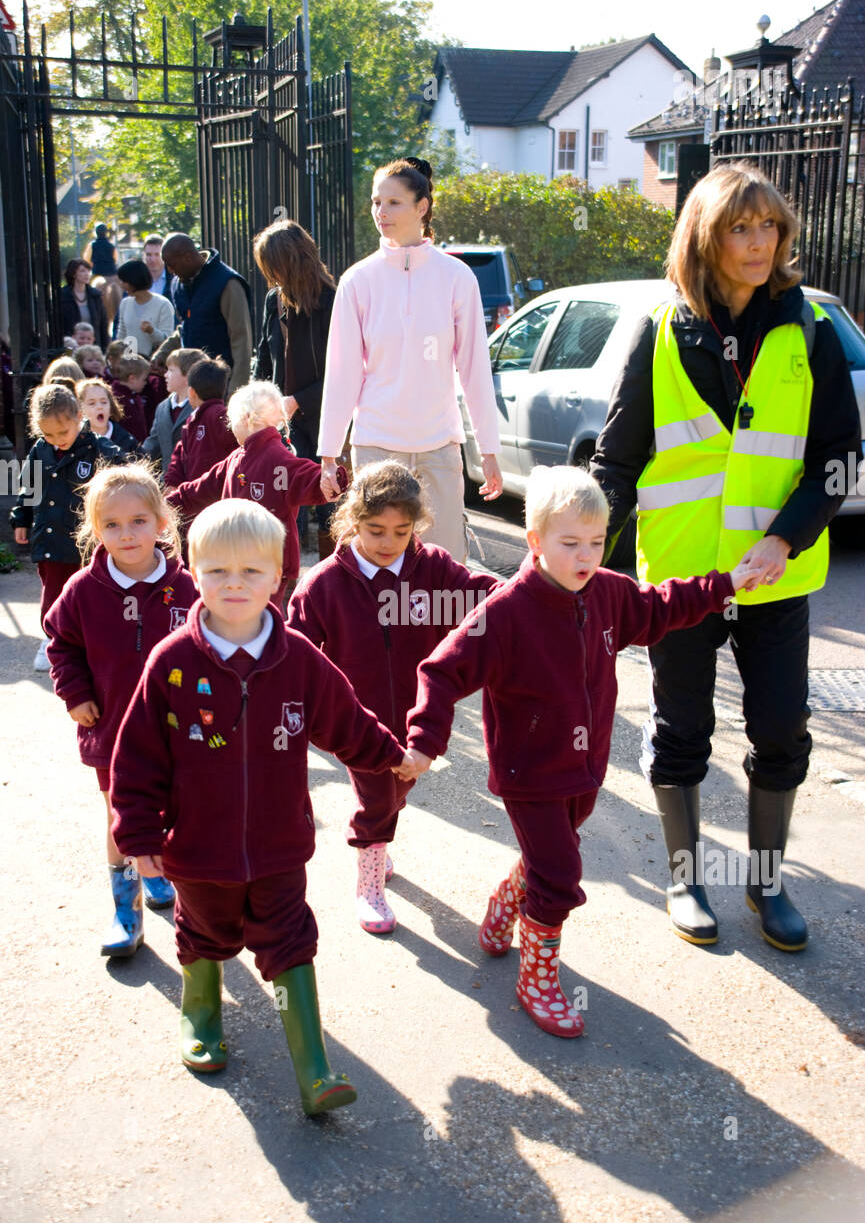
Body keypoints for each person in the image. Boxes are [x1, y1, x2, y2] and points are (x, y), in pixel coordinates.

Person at [589, 162, 862, 953]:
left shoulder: (806, 327)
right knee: (681, 730)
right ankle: (684, 876)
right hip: (682, 578)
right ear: (705, 238)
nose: (756, 243)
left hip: (776, 574)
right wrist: (586, 573)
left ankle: (766, 883)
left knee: (781, 729)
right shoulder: (659, 328)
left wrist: (785, 537)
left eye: (767, 227)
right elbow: (617, 460)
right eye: (738, 228)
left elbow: (837, 458)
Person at [402, 467, 761, 1036]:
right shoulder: (506, 613)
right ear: (536, 542)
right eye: (569, 543)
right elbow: (441, 671)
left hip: (585, 766)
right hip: (530, 771)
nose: (585, 555)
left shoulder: (609, 592)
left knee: (551, 856)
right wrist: (424, 742)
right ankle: (536, 979)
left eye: (596, 542)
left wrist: (726, 585)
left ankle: (505, 903)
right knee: (561, 872)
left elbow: (661, 606)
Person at [109, 499, 417, 1114]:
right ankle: (202, 1018)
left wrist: (390, 753)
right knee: (206, 934)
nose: (234, 584)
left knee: (289, 941)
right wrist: (139, 838)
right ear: (193, 571)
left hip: (279, 842)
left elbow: (344, 718)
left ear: (278, 577)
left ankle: (311, 1064)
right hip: (197, 848)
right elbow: (138, 759)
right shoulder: (170, 664)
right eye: (218, 570)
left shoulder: (297, 656)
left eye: (252, 571)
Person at [287, 460, 500, 933]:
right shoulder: (324, 584)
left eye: (401, 532)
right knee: (378, 800)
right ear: (352, 521)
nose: (387, 543)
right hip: (356, 723)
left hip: (420, 719)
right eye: (375, 530)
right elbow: (293, 649)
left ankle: (376, 846)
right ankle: (369, 884)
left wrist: (527, 593)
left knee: (398, 791)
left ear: (416, 526)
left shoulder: (434, 569)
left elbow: (483, 597)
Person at [43, 464, 198, 955]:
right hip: (110, 732)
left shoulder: (188, 589)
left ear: (161, 523)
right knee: (121, 820)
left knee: (179, 816)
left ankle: (178, 896)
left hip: (177, 736)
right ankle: (125, 914)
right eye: (111, 524)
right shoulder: (82, 591)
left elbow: (209, 645)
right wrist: (75, 693)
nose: (126, 534)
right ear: (95, 529)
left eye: (138, 521)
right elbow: (61, 643)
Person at [316, 157, 503, 561]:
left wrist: (489, 449)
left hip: (440, 446)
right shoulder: (357, 280)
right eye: (375, 202)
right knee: (375, 563)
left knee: (446, 567)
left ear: (422, 208)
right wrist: (328, 453)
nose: (381, 212)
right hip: (375, 445)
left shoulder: (457, 277)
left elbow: (474, 369)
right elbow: (342, 372)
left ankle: (442, 630)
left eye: (393, 202)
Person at [166, 382, 341, 610]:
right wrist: (166, 506)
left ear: (246, 418)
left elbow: (305, 475)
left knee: (266, 621)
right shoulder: (236, 457)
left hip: (271, 564)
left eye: (232, 420)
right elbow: (201, 489)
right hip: (237, 557)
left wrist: (330, 480)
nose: (230, 427)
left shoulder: (277, 458)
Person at [10, 383, 122, 671]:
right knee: (53, 593)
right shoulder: (40, 450)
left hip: (84, 542)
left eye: (63, 432)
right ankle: (51, 640)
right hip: (50, 540)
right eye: (48, 434)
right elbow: (29, 488)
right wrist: (21, 518)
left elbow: (123, 473)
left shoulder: (98, 449)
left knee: (90, 594)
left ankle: (89, 643)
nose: (57, 440)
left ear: (78, 418)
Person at [252, 219, 337, 560]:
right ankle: (290, 584)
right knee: (288, 507)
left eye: (273, 265)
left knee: (332, 506)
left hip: (326, 420)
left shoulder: (333, 301)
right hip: (282, 421)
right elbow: (263, 355)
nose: (270, 274)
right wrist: (255, 400)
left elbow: (344, 372)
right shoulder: (274, 300)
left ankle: (334, 581)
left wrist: (299, 401)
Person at [161, 234, 252, 396]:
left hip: (221, 385)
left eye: (172, 265)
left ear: (188, 257)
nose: (170, 271)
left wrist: (236, 391)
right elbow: (187, 326)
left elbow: (241, 339)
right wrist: (161, 354)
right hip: (192, 385)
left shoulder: (227, 284)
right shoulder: (178, 284)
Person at [163, 357, 235, 488]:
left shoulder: (219, 416)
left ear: (191, 392)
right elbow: (180, 456)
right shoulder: (193, 420)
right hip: (193, 496)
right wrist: (172, 483)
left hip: (213, 498)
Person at [142, 348, 205, 476]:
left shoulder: (202, 407)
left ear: (188, 375)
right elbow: (153, 445)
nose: (165, 375)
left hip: (195, 482)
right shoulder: (162, 408)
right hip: (168, 483)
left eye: (171, 370)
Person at [115, 260, 176, 359]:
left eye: (124, 281)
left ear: (133, 281)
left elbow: (168, 341)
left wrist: (152, 331)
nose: (122, 285)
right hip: (129, 364)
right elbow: (122, 333)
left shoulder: (163, 304)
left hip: (153, 364)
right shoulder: (125, 303)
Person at [76, 378, 141, 458]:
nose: (99, 407)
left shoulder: (127, 441)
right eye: (92, 403)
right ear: (80, 408)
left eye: (104, 402)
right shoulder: (75, 440)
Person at [60, 259, 109, 352]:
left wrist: (105, 347)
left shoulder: (95, 295)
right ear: (73, 274)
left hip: (93, 346)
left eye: (88, 271)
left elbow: (103, 323)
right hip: (71, 345)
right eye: (82, 271)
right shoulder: (63, 296)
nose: (87, 274)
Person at [84, 223, 122, 329]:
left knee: (85, 290)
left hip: (97, 273)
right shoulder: (111, 246)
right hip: (113, 273)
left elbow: (86, 261)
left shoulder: (92, 245)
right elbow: (115, 260)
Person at [109, 355, 151, 444]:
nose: (146, 383)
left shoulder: (134, 396)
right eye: (144, 379)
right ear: (132, 378)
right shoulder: (117, 397)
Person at [142, 234, 173, 303]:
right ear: (143, 255)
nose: (153, 259)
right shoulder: (136, 279)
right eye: (148, 255)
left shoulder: (175, 278)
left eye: (157, 254)